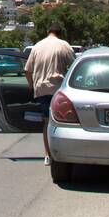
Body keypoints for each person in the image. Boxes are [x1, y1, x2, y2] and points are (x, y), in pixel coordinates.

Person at [24, 25, 75, 162]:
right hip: (59, 89)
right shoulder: (64, 45)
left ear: (48, 32)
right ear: (60, 34)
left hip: (41, 89)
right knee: (63, 122)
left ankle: (47, 155)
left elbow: (27, 70)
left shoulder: (37, 46)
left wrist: (32, 86)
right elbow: (74, 67)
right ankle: (63, 153)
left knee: (47, 122)